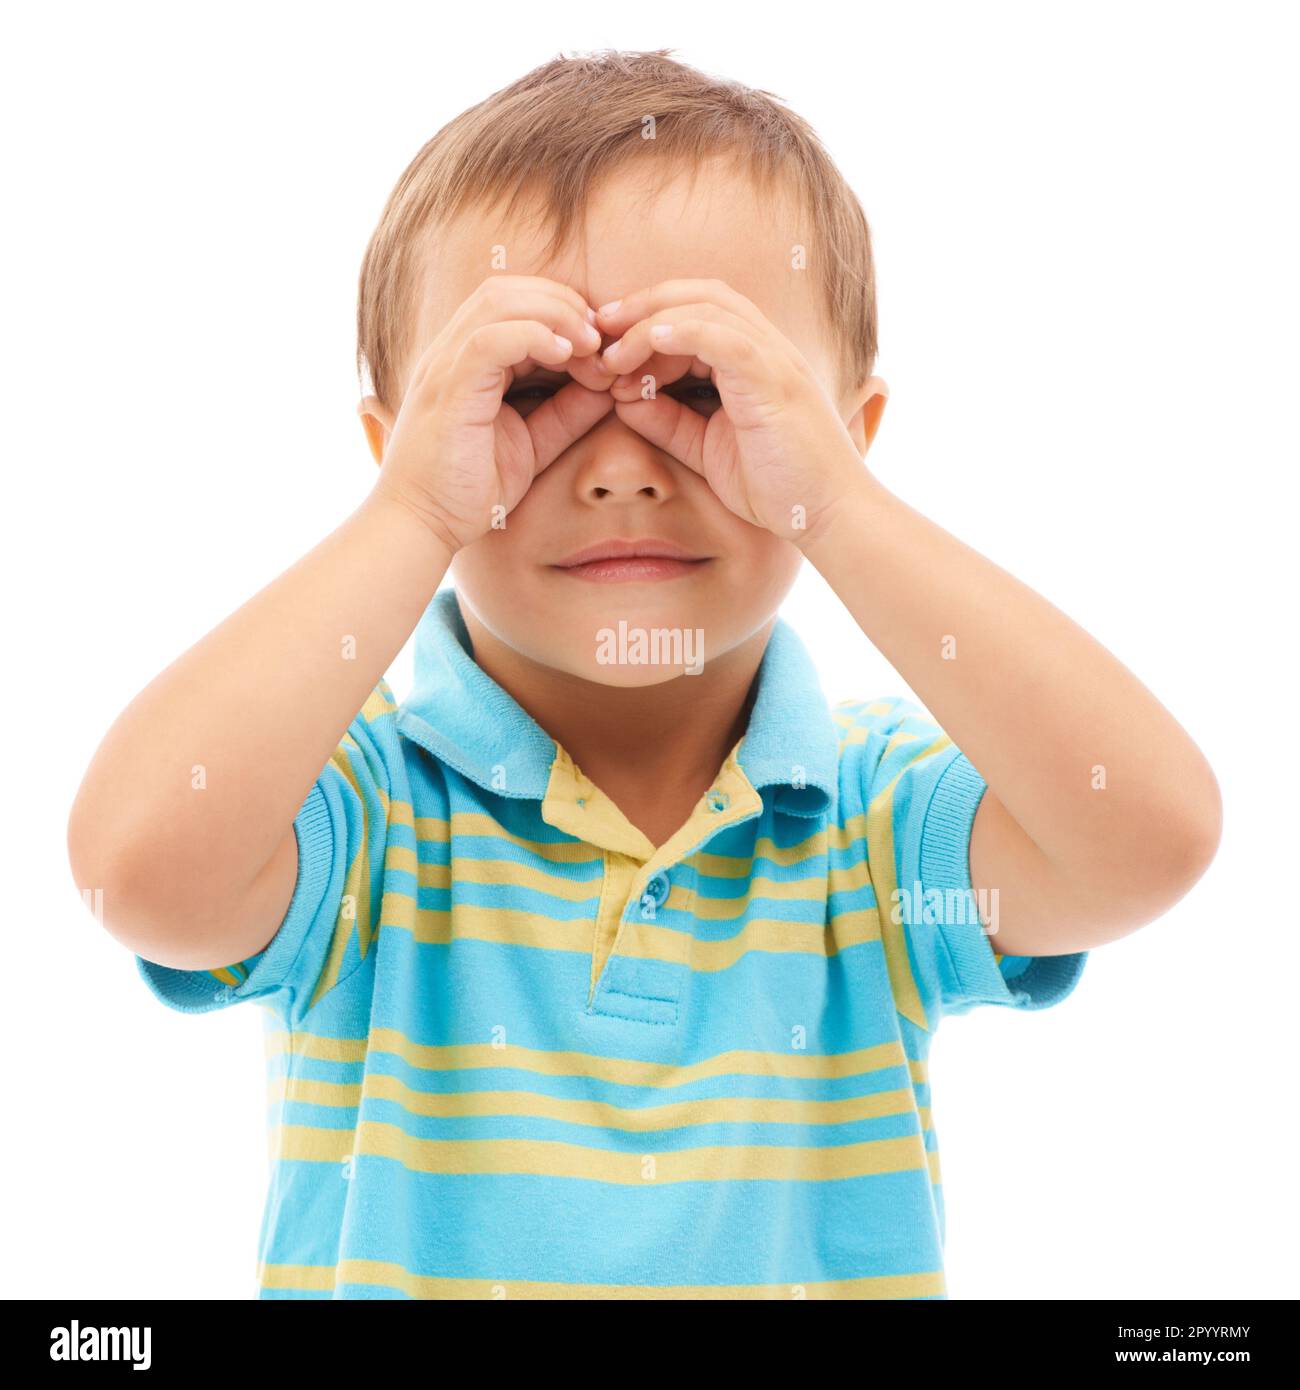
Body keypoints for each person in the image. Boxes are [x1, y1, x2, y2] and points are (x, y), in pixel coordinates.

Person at [67, 48, 1221, 1300]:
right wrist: (408, 515)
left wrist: (837, 505)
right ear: (399, 451)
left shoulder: (874, 830)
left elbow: (1147, 835)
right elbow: (137, 870)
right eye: (531, 389)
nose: (622, 468)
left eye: (704, 387)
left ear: (848, 436)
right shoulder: (368, 816)